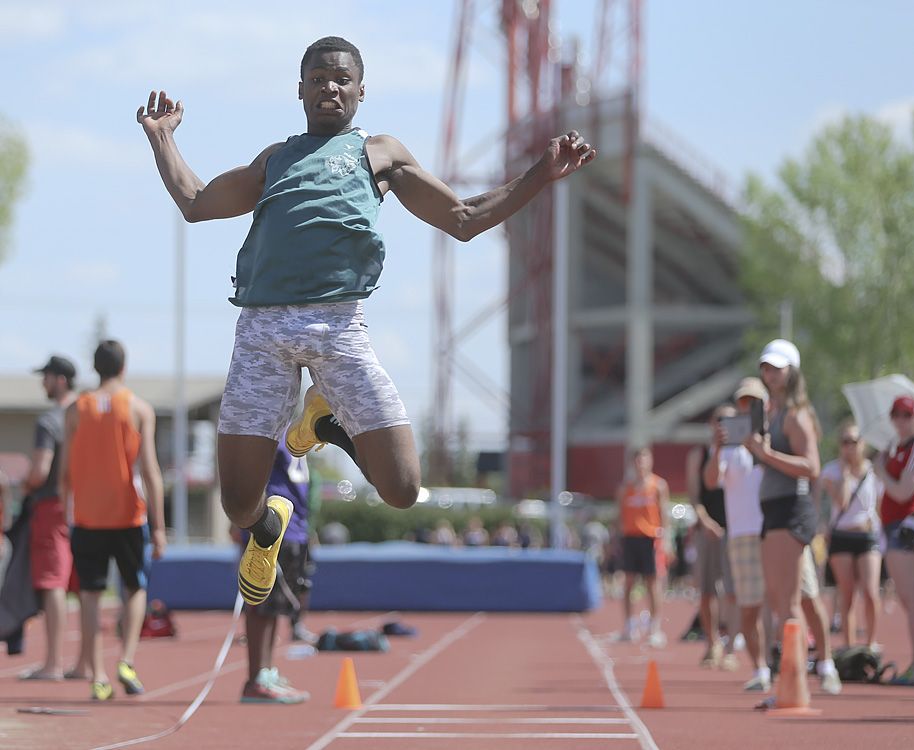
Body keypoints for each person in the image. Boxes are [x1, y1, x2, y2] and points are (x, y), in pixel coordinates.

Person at [137, 36, 596, 606]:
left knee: (402, 489)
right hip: (262, 334)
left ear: (360, 91)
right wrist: (161, 138)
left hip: (338, 329)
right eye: (318, 79)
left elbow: (463, 217)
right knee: (237, 504)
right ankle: (268, 528)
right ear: (300, 90)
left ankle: (324, 422)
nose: (330, 87)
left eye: (342, 79)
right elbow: (196, 202)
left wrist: (540, 175)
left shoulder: (378, 153)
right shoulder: (274, 160)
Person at [60, 340, 167, 701]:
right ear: (123, 367)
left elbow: (64, 473)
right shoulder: (139, 408)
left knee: (90, 594)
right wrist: (159, 527)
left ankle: (98, 676)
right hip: (128, 515)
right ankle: (126, 660)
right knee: (134, 588)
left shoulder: (76, 409)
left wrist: (66, 511)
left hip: (87, 516)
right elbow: (150, 471)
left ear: (95, 368)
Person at [746, 339, 841, 695]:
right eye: (765, 368)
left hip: (791, 509)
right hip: (773, 510)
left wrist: (766, 454)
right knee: (788, 599)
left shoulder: (797, 414)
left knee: (790, 603)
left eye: (776, 368)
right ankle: (803, 674)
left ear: (792, 371)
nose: (769, 374)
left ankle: (797, 679)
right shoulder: (771, 413)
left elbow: (812, 466)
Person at [704, 377, 771, 691]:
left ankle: (783, 662)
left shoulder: (775, 435)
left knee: (780, 603)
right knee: (749, 605)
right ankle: (761, 668)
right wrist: (717, 448)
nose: (748, 407)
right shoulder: (729, 447)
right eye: (743, 401)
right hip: (742, 532)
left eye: (754, 402)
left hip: (774, 529)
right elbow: (710, 481)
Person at [239, 434, 312, 704]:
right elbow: (250, 473)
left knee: (276, 607)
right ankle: (256, 678)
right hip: (272, 525)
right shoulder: (268, 429)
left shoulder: (298, 431)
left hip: (295, 527)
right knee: (260, 602)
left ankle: (266, 672)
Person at [18, 356, 77, 681]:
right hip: (84, 506)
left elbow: (40, 471)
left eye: (47, 377)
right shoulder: (86, 413)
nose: (43, 382)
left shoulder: (50, 420)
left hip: (52, 506)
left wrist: (24, 485)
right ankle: (85, 663)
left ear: (61, 380)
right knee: (81, 585)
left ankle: (53, 663)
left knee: (53, 581)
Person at [873, 395, 914, 686]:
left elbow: (903, 492)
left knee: (913, 598)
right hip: (892, 527)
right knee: (907, 599)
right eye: (896, 414)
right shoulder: (897, 448)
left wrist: (880, 471)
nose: (900, 420)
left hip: (906, 526)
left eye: (906, 415)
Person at [820, 419, 883, 649]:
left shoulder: (874, 471)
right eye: (845, 442)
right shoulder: (831, 471)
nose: (849, 447)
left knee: (871, 592)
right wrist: (846, 475)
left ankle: (871, 643)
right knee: (847, 595)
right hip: (842, 536)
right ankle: (849, 645)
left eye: (854, 441)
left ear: (862, 443)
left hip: (867, 536)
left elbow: (879, 505)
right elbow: (842, 501)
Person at [688, 405, 738, 669]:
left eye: (730, 420)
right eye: (719, 420)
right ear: (711, 423)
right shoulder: (699, 454)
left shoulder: (742, 453)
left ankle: (731, 648)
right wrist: (706, 522)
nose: (724, 425)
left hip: (736, 529)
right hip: (708, 530)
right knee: (708, 591)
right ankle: (712, 643)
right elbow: (695, 497)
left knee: (734, 592)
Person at [616, 446, 670, 646]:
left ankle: (654, 628)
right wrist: (616, 540)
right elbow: (619, 515)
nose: (641, 463)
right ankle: (629, 626)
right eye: (638, 459)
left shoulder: (658, 485)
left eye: (644, 459)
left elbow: (664, 514)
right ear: (633, 462)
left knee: (652, 583)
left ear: (650, 461)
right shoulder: (625, 488)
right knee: (628, 583)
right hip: (630, 538)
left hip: (650, 539)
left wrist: (666, 540)